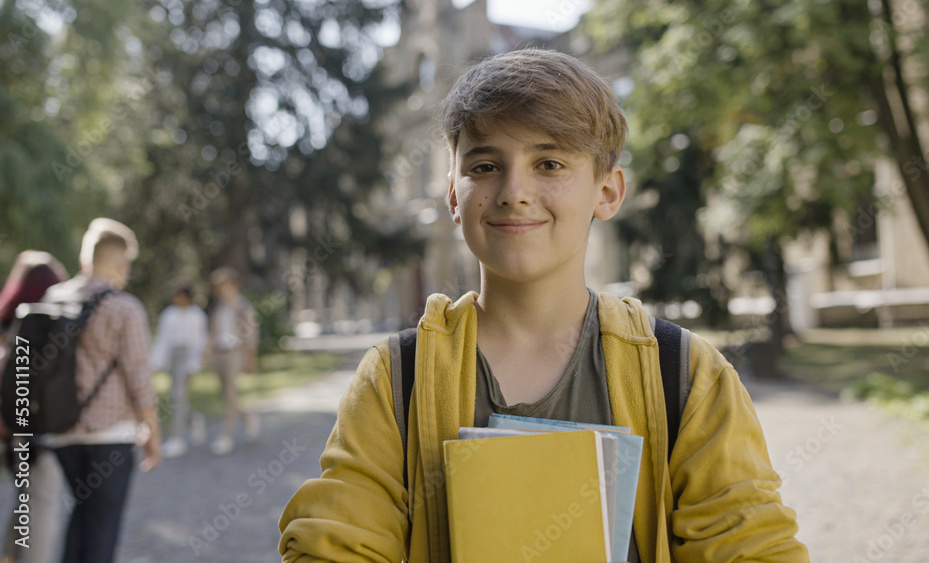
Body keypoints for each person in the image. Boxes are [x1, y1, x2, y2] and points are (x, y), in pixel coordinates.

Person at [278, 49, 808, 562]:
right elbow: (336, 544)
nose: (514, 190)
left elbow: (750, 546)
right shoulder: (398, 379)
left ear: (607, 192)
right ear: (454, 197)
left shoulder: (685, 374)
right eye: (485, 166)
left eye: (549, 163)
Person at [42, 218, 161, 563]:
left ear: (86, 259)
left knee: (81, 517)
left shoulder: (53, 299)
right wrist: (152, 433)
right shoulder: (124, 307)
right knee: (102, 528)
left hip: (61, 433)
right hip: (110, 435)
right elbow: (139, 378)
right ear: (122, 264)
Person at [0, 251, 69, 563]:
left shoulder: (6, 324)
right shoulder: (56, 327)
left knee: (20, 503)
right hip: (38, 433)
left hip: (7, 430)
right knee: (38, 505)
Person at [149, 283, 208, 459]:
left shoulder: (197, 315)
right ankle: (194, 420)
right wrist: (155, 363)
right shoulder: (168, 315)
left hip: (187, 355)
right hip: (173, 358)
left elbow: (200, 342)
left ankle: (178, 439)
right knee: (177, 396)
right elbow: (163, 339)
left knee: (177, 396)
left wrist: (193, 366)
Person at [206, 267, 259, 456]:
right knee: (225, 394)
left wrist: (250, 359)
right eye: (218, 286)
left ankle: (225, 436)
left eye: (224, 285)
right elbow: (213, 332)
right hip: (220, 353)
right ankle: (246, 417)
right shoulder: (218, 307)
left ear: (233, 285)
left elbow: (251, 336)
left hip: (236, 353)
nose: (221, 289)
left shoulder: (243, 307)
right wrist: (208, 350)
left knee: (229, 391)